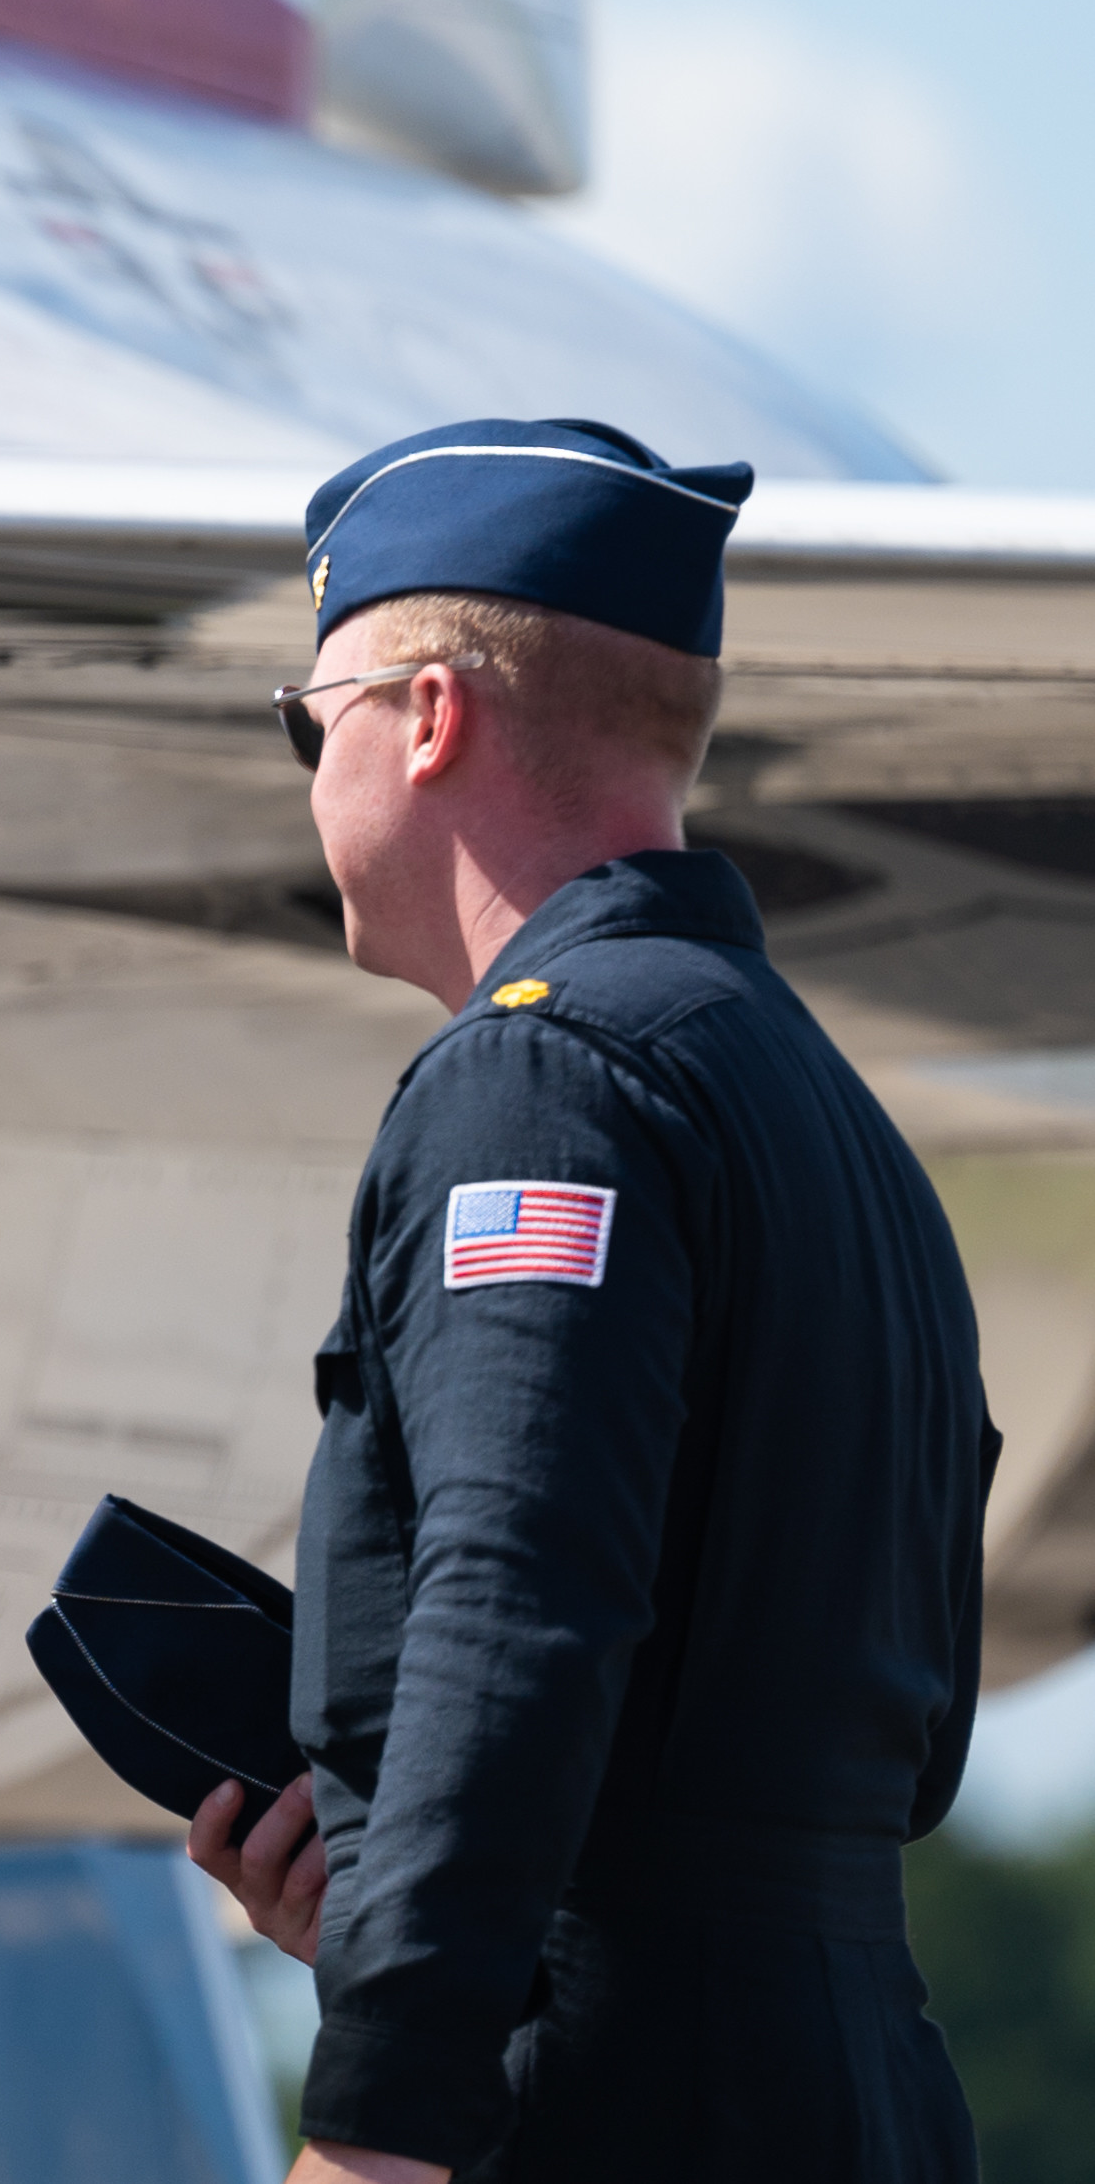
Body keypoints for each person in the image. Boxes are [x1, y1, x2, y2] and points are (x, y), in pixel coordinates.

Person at [189, 421, 996, 2184]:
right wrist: (397, 1871)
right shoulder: (826, 1114)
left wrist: (383, 2104)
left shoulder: (542, 1080)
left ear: (425, 715)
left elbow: (518, 1595)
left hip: (617, 2097)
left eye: (302, 720)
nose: (305, 776)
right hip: (854, 2077)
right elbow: (903, 1736)